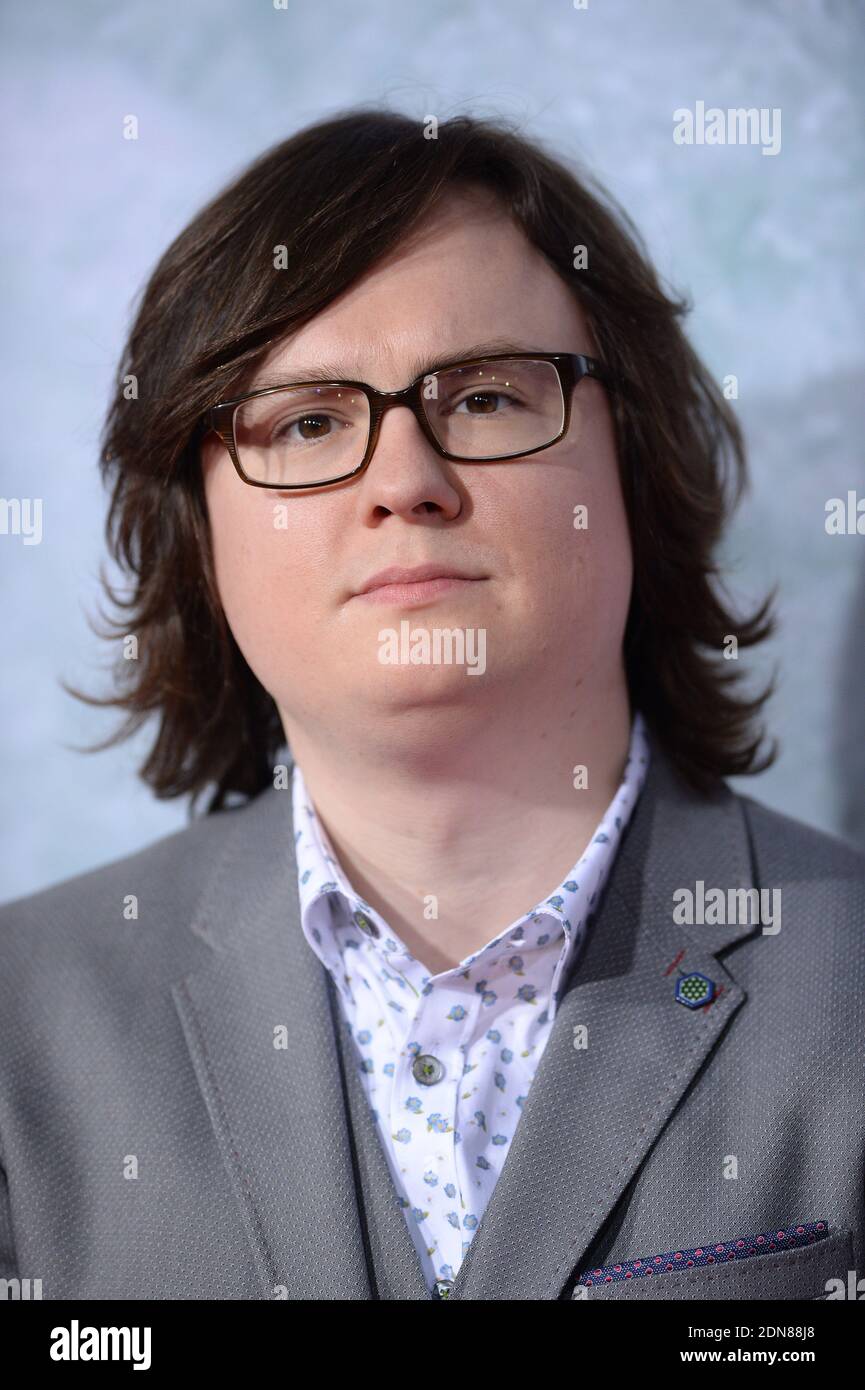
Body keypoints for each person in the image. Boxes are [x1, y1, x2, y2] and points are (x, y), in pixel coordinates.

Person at [0, 109, 862, 1303]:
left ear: (634, 462)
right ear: (199, 539)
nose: (404, 481)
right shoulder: (18, 1019)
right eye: (307, 421)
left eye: (489, 399)